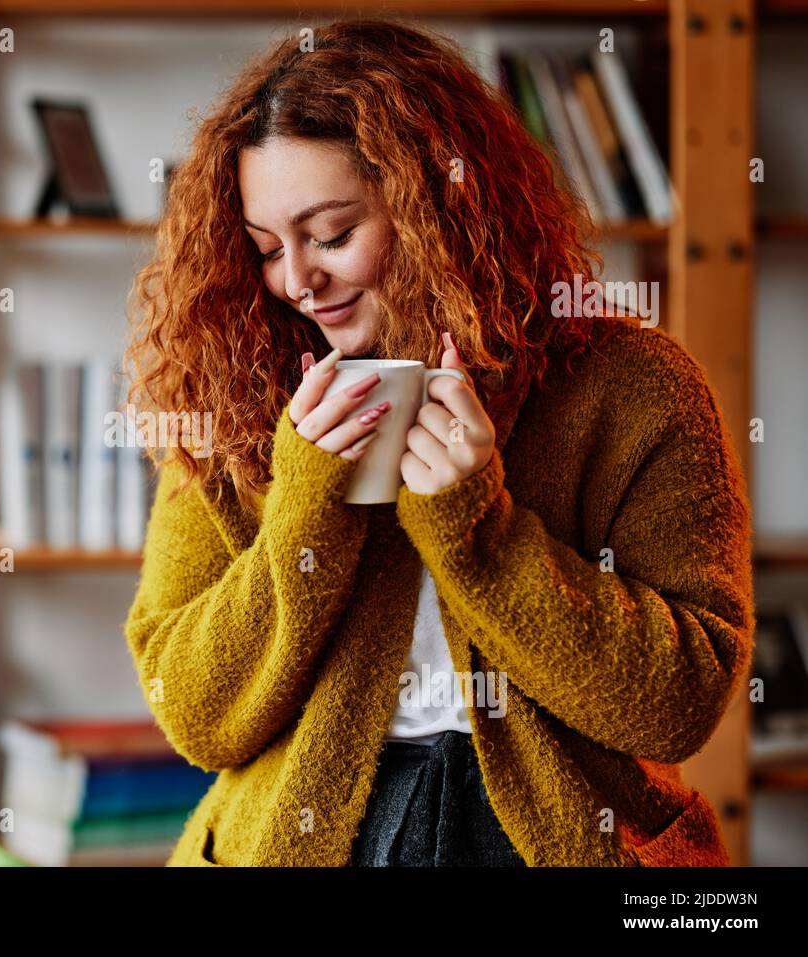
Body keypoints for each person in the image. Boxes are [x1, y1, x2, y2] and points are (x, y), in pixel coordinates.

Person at [121, 18, 754, 867]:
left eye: (334, 234)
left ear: (443, 208)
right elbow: (194, 712)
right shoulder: (232, 393)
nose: (298, 281)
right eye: (268, 248)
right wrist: (306, 510)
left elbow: (680, 703)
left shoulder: (635, 386)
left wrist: (479, 531)